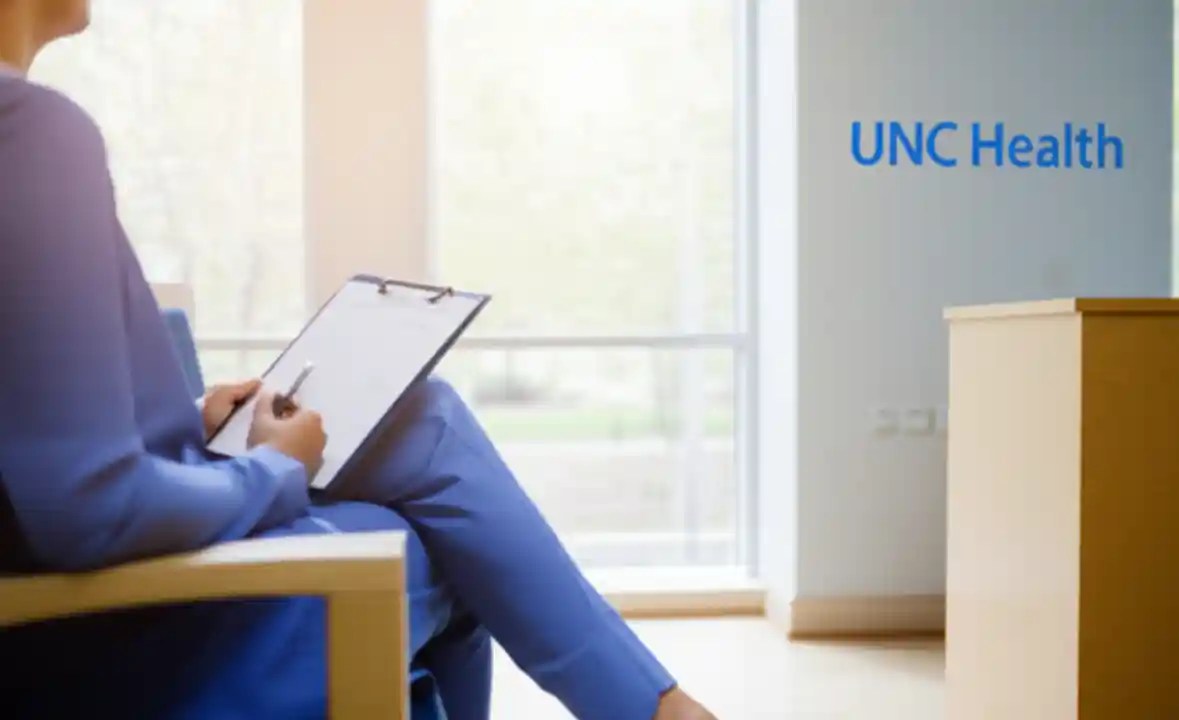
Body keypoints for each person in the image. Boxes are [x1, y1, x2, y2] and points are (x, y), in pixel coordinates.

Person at [0, 1, 717, 718]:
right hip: (113, 634)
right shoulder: (31, 134)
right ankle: (656, 710)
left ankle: (656, 708)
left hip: (76, 578)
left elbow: (36, 447)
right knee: (453, 554)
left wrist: (191, 422)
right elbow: (86, 512)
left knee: (423, 417)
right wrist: (275, 467)